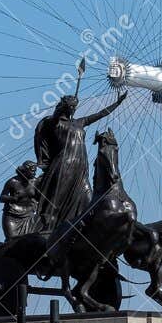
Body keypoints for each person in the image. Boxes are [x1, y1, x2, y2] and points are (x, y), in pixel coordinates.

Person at [33, 90, 128, 233]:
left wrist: (118, 103)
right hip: (65, 165)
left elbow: (100, 114)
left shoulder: (79, 122)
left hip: (81, 167)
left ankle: (80, 231)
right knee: (57, 197)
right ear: (65, 107)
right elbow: (55, 116)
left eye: (75, 107)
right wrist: (65, 104)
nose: (74, 109)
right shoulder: (55, 123)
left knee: (88, 199)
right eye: (71, 107)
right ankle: (46, 228)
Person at [0, 160, 40, 241]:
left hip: (28, 215)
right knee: (12, 240)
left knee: (29, 240)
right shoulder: (12, 182)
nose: (34, 174)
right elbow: (1, 198)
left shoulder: (35, 182)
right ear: (25, 171)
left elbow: (39, 196)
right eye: (32, 171)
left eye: (35, 172)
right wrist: (13, 199)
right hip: (12, 215)